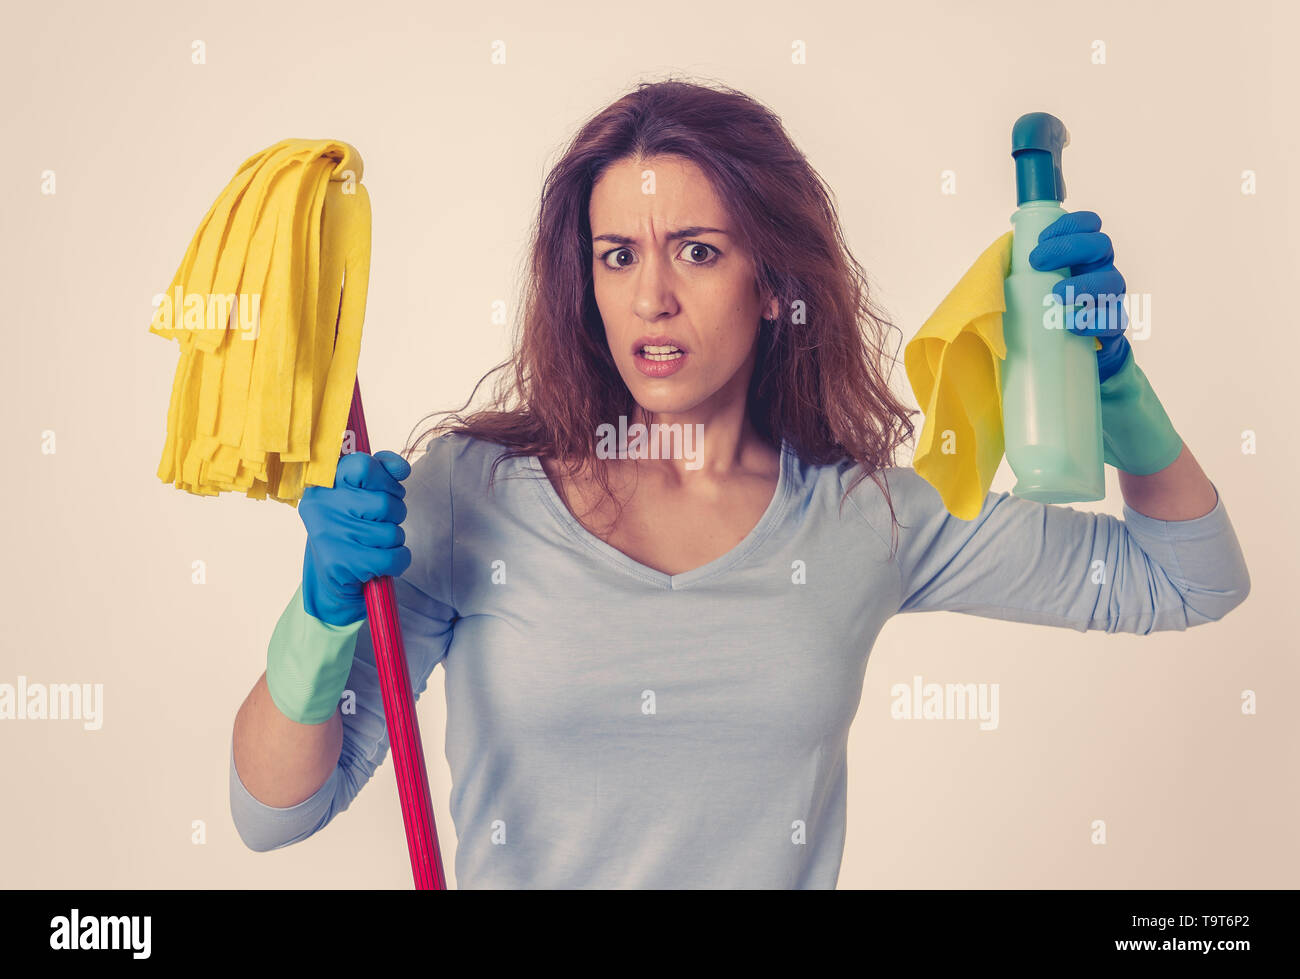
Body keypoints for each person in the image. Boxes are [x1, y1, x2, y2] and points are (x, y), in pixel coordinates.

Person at [229, 78, 1251, 888]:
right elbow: (274, 811)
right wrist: (318, 619)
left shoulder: (866, 516)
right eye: (618, 255)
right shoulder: (473, 495)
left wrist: (1112, 387)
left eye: (699, 252)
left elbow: (1188, 578)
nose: (652, 298)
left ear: (772, 285)